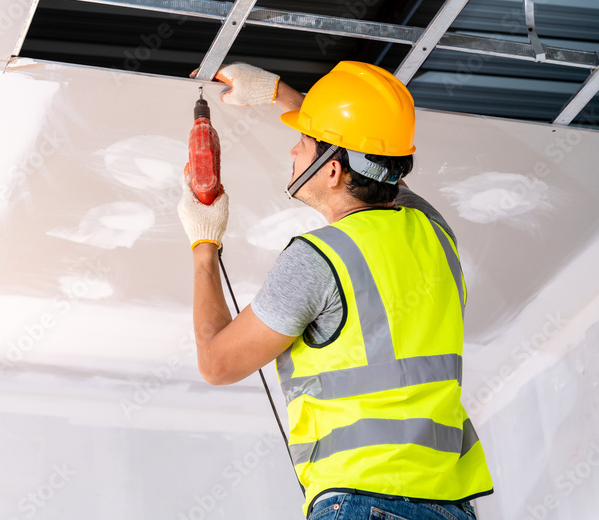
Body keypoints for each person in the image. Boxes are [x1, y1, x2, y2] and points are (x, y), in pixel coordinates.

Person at [177, 62, 493, 520]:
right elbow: (372, 159)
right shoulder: (433, 231)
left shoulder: (319, 260)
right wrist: (279, 93)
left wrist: (203, 244)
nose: (292, 148)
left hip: (363, 502)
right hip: (448, 506)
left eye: (303, 142)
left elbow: (217, 363)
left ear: (332, 172)